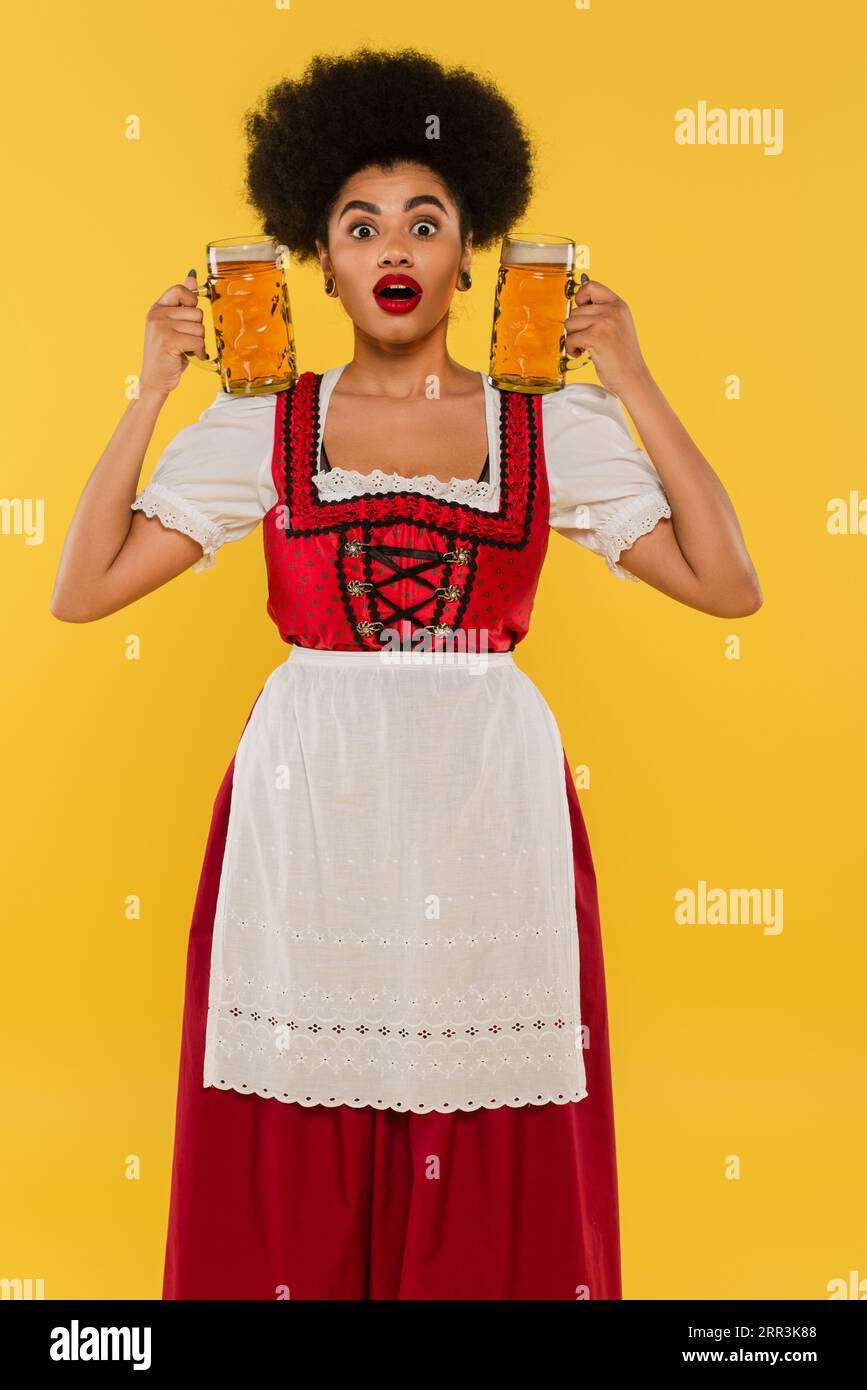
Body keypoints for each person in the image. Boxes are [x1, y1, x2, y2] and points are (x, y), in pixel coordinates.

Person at [50, 47, 762, 1301]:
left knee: (477, 1100)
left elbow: (727, 582)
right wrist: (149, 390)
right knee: (298, 1096)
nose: (393, 246)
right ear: (317, 258)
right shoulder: (261, 423)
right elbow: (84, 588)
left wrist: (636, 379)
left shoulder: (548, 424)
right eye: (360, 221)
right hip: (310, 801)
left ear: (468, 251)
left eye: (425, 221)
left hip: (487, 798)